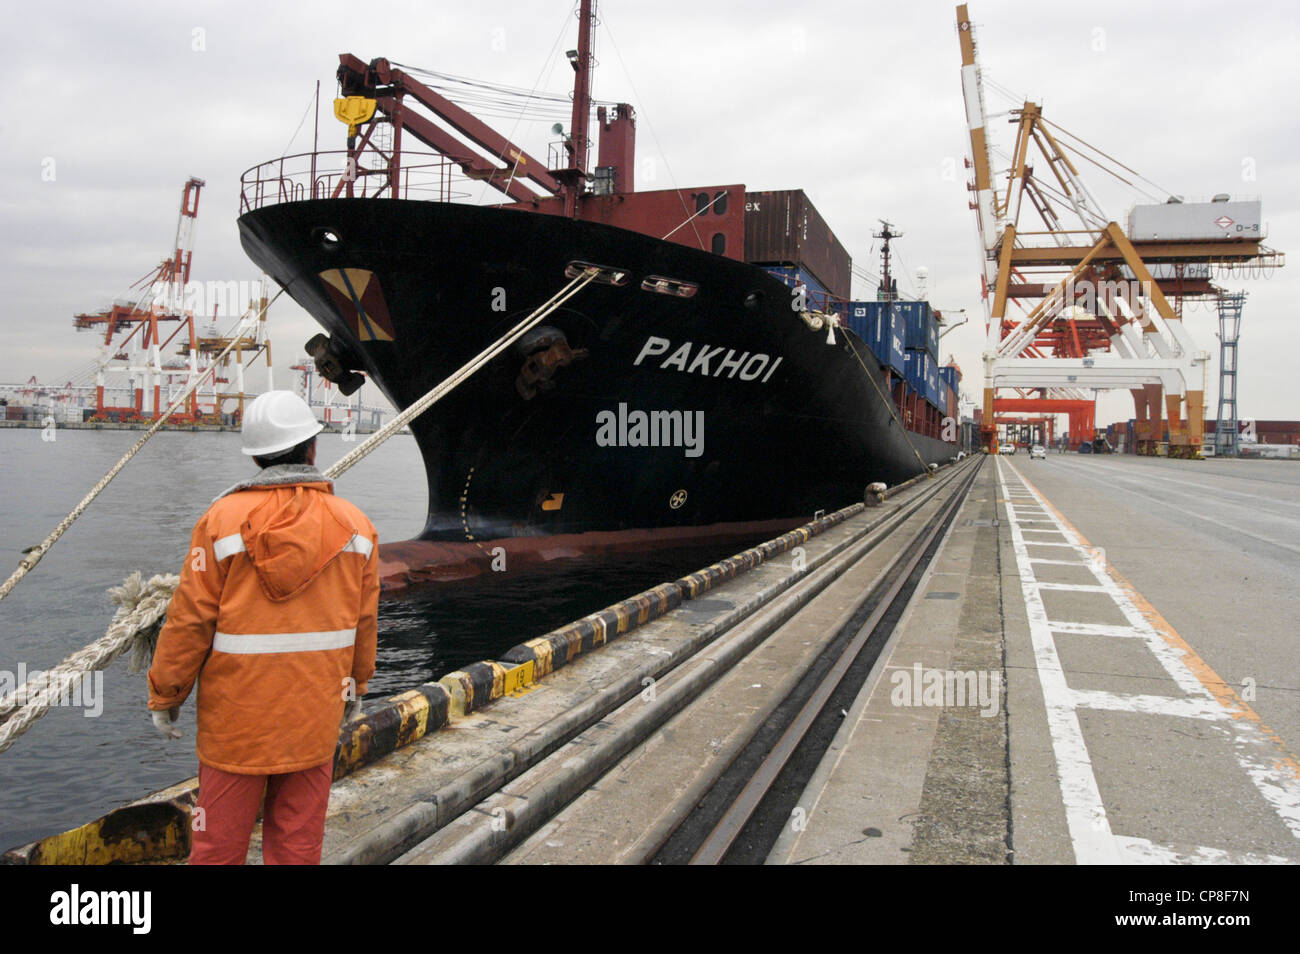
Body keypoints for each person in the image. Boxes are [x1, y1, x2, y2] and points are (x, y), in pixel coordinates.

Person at [147, 390, 379, 865]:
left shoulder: (220, 521)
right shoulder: (357, 527)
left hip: (237, 727)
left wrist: (167, 695)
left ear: (254, 455)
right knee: (297, 844)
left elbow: (190, 618)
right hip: (314, 718)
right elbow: (364, 622)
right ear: (312, 447)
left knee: (217, 846)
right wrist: (356, 687)